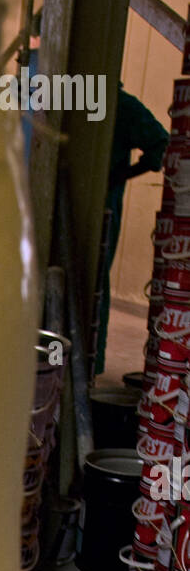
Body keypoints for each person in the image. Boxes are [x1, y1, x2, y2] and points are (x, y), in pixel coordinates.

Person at [96, 82, 169, 375]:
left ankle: (88, 364)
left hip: (101, 208)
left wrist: (121, 174)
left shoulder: (121, 105)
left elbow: (160, 144)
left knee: (92, 284)